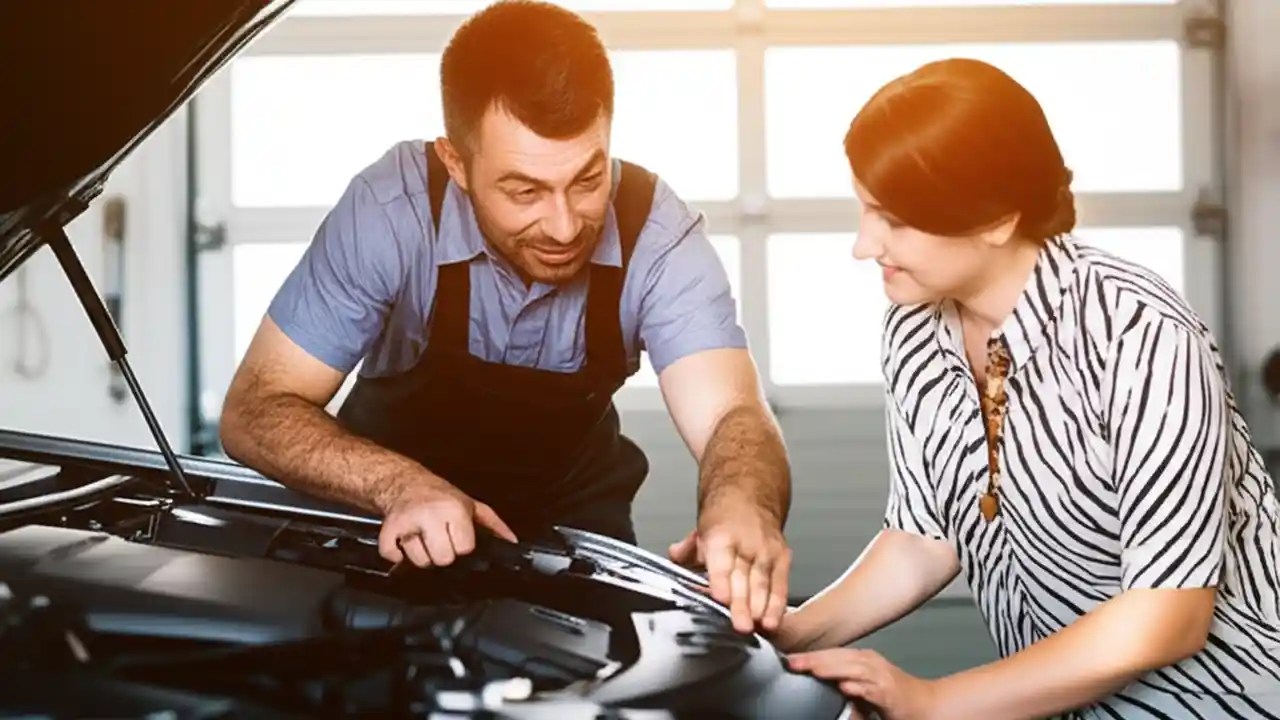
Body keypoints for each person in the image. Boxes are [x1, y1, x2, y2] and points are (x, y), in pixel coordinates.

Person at [219, 0, 792, 635]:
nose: (564, 224)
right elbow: (255, 409)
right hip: (383, 526)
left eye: (586, 179)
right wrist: (397, 485)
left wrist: (743, 503)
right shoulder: (391, 211)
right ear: (456, 163)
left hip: (573, 534)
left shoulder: (656, 232)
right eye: (524, 191)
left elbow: (733, 418)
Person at [774, 57, 1280, 718]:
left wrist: (933, 703)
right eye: (866, 211)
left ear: (995, 220)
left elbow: (1170, 614)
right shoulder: (913, 326)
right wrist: (784, 635)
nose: (864, 246)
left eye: (894, 219)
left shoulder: (1140, 333)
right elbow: (925, 540)